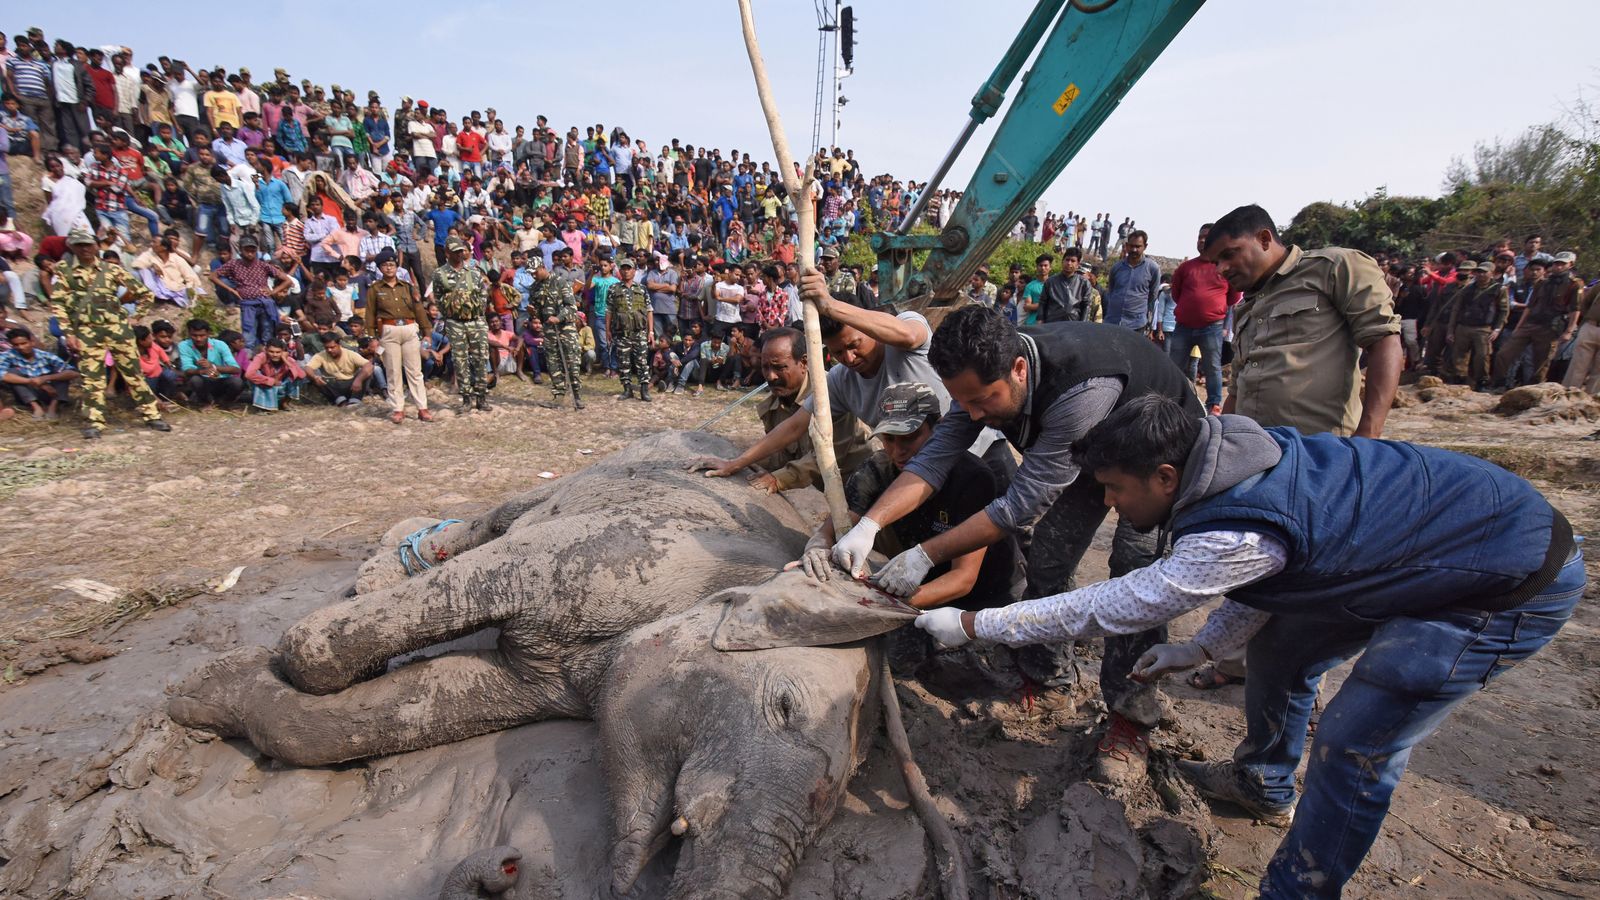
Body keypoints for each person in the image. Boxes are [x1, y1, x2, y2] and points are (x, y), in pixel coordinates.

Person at [914, 393, 1583, 899]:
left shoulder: (1234, 525)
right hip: (1406, 553)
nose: (1111, 505)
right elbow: (1262, 581)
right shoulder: (1231, 461)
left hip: (1503, 576)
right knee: (1283, 653)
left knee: (1357, 735)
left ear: (1167, 476)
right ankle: (1264, 784)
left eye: (1116, 489)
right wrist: (1200, 652)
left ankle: (1297, 888)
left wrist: (978, 625)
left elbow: (1122, 602)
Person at [836, 303, 1201, 782]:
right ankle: (1050, 677)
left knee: (1136, 575)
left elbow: (1017, 507)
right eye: (961, 401)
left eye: (983, 401)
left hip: (1155, 465)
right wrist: (868, 525)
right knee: (1049, 556)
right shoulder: (981, 375)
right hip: (1090, 456)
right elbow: (934, 458)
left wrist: (925, 554)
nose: (973, 414)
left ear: (1020, 370)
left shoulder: (1080, 390)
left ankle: (1131, 718)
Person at [794, 381, 1026, 671]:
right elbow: (836, 527)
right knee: (897, 660)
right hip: (916, 582)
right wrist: (818, 545)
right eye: (888, 439)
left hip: (984, 592)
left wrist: (879, 603)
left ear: (938, 428)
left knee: (968, 670)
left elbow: (964, 578)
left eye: (910, 437)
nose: (898, 451)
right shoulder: (876, 470)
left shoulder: (973, 478)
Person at [1205, 204, 1402, 438]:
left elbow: (1384, 340)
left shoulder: (1334, 268)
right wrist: (1225, 438)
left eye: (1229, 255)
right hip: (1258, 449)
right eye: (1215, 262)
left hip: (1320, 449)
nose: (1221, 269)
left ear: (1264, 239)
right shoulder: (1246, 305)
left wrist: (1368, 437)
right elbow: (1238, 388)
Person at [51, 228, 172, 438]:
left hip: (118, 330)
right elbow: (59, 304)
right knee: (92, 379)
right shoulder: (65, 270)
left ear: (96, 246)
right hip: (87, 332)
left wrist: (136, 318)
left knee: (134, 375)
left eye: (88, 244)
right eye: (79, 245)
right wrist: (69, 333)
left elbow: (144, 293)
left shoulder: (111, 270)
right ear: (72, 247)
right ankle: (95, 422)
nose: (85, 249)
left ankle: (152, 415)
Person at [748, 326, 874, 494]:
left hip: (860, 485)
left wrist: (778, 479)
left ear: (804, 363)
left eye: (779, 367)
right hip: (827, 489)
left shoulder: (831, 393)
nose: (771, 376)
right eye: (765, 367)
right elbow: (779, 454)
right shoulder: (773, 406)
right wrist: (739, 462)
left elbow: (826, 458)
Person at [1167, 224, 1239, 414]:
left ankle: (1213, 404)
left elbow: (1233, 298)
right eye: (1200, 237)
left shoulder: (1224, 268)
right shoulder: (1186, 267)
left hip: (1211, 327)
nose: (1202, 240)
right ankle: (1169, 399)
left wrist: (1214, 309)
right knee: (1174, 365)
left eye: (1206, 237)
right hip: (1183, 326)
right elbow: (1176, 294)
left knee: (1212, 366)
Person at [364, 248, 433, 423]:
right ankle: (398, 408)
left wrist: (427, 333)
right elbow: (370, 314)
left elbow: (419, 310)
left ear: (396, 266)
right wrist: (372, 337)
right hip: (389, 330)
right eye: (385, 265)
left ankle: (422, 408)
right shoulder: (375, 289)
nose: (389, 268)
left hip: (409, 329)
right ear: (380, 268)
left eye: (392, 265)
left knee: (415, 371)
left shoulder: (408, 287)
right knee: (393, 371)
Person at [1494, 250, 1581, 387]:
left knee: (1540, 364)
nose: (1558, 267)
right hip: (1531, 323)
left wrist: (1569, 331)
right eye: (1556, 263)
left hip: (1550, 327)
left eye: (1562, 264)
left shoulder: (1574, 284)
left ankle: (1535, 391)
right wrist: (1519, 327)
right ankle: (1499, 384)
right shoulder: (1542, 283)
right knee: (1503, 354)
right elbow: (1530, 307)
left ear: (1570, 265)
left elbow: (1575, 309)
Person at [430, 240, 492, 411]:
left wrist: (474, 309)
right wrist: (453, 311)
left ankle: (481, 397)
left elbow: (483, 295)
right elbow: (438, 298)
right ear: (447, 252)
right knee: (460, 360)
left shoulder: (474, 272)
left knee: (481, 358)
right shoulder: (439, 274)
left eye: (462, 251)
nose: (460, 254)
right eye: (455, 251)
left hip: (476, 321)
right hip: (455, 322)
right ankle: (466, 398)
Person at [208, 235, 290, 351]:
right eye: (247, 250)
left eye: (253, 250)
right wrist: (231, 290)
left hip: (265, 302)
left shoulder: (263, 265)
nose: (250, 254)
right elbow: (213, 276)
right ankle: (249, 362)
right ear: (240, 250)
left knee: (268, 333)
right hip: (247, 303)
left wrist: (272, 292)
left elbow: (287, 280)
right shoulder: (233, 264)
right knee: (248, 334)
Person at [1445, 260, 1510, 390]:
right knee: (1459, 355)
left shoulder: (1499, 289)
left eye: (1484, 272)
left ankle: (1482, 381)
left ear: (1491, 273)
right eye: (1479, 272)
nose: (1481, 275)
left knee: (1482, 355)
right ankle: (1460, 379)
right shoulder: (1468, 288)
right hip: (1463, 326)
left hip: (1483, 328)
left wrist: (1497, 329)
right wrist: (1451, 330)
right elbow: (1456, 309)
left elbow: (1504, 311)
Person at [533, 255, 583, 408]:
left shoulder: (561, 282)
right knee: (553, 362)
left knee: (571, 362)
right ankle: (558, 396)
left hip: (565, 329)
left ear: (542, 267)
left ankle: (577, 395)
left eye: (535, 272)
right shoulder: (536, 287)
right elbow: (538, 310)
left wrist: (559, 317)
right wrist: (533, 313)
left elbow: (571, 307)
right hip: (549, 330)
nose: (533, 275)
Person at [0, 326, 76, 419]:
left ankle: (53, 407)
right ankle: (36, 407)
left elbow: (73, 373)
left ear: (32, 342)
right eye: (16, 345)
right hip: (27, 393)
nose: (20, 347)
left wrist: (45, 379)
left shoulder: (45, 355)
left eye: (24, 343)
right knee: (12, 372)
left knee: (63, 372)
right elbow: (3, 375)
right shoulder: (8, 356)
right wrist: (34, 382)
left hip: (51, 392)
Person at [607, 258, 653, 401]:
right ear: (620, 271)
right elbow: (609, 311)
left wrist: (650, 331)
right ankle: (627, 390)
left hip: (639, 332)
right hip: (622, 333)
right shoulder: (613, 289)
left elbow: (649, 310)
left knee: (642, 362)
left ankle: (644, 390)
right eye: (624, 268)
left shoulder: (642, 289)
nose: (626, 271)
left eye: (629, 268)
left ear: (634, 271)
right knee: (624, 362)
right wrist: (607, 330)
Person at [176, 317, 245, 406]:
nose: (198, 339)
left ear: (208, 334)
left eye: (202, 335)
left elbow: (236, 369)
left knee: (237, 382)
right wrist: (201, 371)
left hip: (220, 379)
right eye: (194, 335)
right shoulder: (184, 345)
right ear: (189, 333)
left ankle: (224, 402)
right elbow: (187, 369)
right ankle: (207, 401)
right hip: (202, 381)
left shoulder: (220, 344)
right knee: (195, 380)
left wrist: (213, 367)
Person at [1102, 230, 1160, 330]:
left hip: (1136, 324)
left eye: (1138, 246)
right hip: (1112, 322)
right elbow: (1111, 292)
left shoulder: (1152, 268)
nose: (1134, 249)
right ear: (1127, 245)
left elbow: (1152, 296)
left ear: (1145, 246)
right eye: (1131, 246)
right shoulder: (1117, 267)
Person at [1562, 277, 1600, 396]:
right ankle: (1568, 396)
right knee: (1577, 365)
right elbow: (1585, 303)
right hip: (1591, 326)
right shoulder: (1598, 286)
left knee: (1598, 372)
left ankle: (1591, 402)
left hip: (1591, 326)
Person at [244, 338, 304, 411]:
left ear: (283, 351)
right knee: (256, 373)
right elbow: (249, 374)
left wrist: (285, 360)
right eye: (271, 352)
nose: (275, 355)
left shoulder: (287, 358)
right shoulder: (261, 357)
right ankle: (263, 406)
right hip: (266, 387)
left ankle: (285, 403)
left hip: (281, 388)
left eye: (278, 352)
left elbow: (302, 375)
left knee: (296, 375)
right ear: (266, 350)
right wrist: (271, 381)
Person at [133, 323, 179, 401]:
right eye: (149, 338)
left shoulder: (152, 346)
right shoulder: (133, 357)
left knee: (170, 374)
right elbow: (140, 381)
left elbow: (161, 351)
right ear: (141, 341)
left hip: (158, 377)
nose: (152, 340)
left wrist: (168, 363)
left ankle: (167, 396)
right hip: (147, 382)